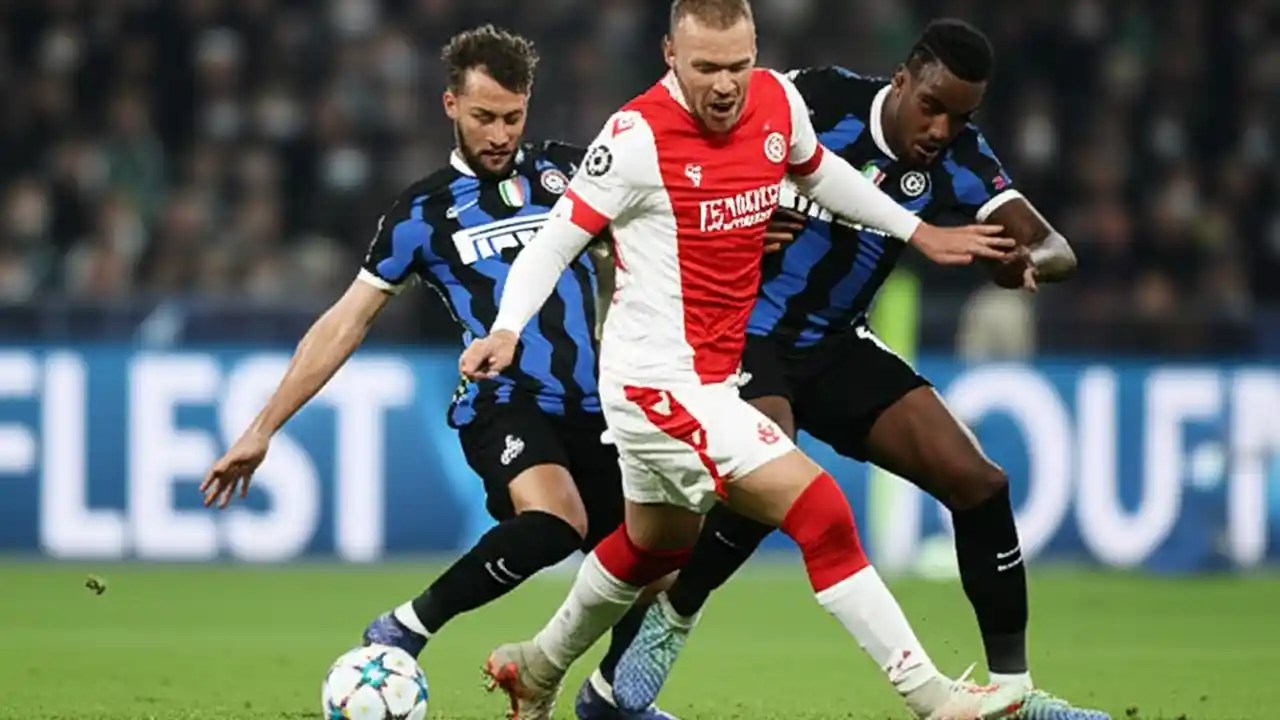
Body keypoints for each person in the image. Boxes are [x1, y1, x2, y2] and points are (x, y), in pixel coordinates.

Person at [458, 2, 1027, 719]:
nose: (725, 85)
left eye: (737, 64)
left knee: (651, 547)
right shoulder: (635, 139)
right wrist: (507, 330)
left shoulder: (776, 101)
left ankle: (536, 667)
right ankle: (934, 699)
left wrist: (920, 234)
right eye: (705, 69)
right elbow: (555, 240)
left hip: (711, 374)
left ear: (755, 52)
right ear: (670, 55)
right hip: (655, 383)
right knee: (821, 511)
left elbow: (820, 173)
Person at [196, 25, 709, 720]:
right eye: (483, 117)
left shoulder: (572, 174)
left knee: (661, 563)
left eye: (513, 116)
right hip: (502, 402)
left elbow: (665, 226)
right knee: (556, 521)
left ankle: (611, 701)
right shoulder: (421, 214)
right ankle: (407, 626)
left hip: (598, 405)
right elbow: (346, 321)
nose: (499, 134)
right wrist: (263, 428)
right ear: (449, 106)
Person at [609, 17, 1109, 720]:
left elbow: (1056, 246)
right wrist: (741, 213)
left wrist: (1026, 260)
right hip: (745, 333)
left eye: (959, 115)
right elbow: (688, 146)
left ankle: (1011, 694)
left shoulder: (962, 159)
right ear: (901, 79)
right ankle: (672, 619)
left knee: (980, 483)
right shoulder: (810, 100)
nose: (940, 128)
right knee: (767, 468)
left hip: (838, 344)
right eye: (931, 105)